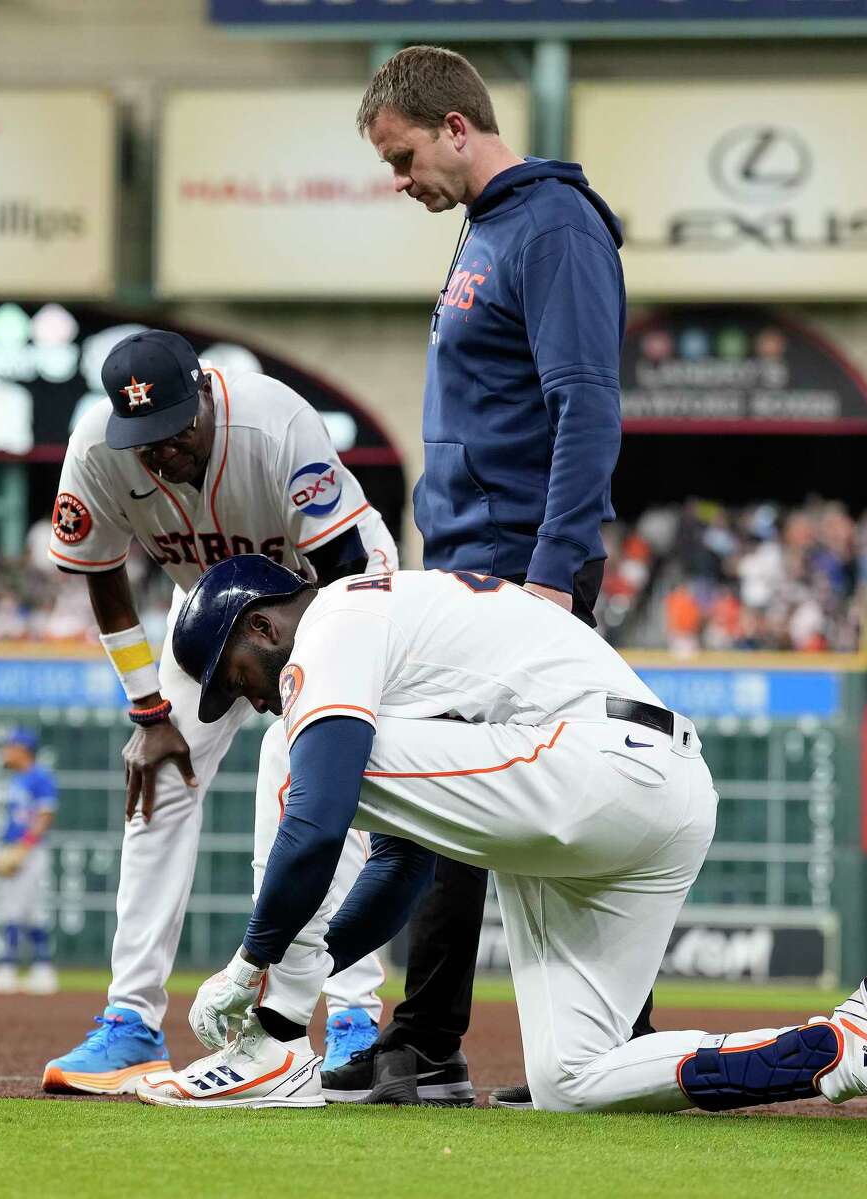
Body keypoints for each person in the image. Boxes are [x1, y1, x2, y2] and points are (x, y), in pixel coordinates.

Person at [135, 558, 867, 1135]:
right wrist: (304, 964)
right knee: (574, 1078)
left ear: (263, 621)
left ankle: (270, 1047)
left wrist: (258, 970)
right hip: (649, 798)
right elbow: (404, 864)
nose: (244, 693)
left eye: (233, 670)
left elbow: (315, 824)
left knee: (295, 753)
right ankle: (843, 1046)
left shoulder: (337, 618)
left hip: (596, 764)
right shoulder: (384, 641)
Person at [338, 44, 641, 1107]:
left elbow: (585, 402)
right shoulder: (491, 226)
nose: (399, 179)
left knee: (495, 804)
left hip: (519, 568)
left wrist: (554, 574)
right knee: (467, 804)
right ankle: (439, 1039)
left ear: (456, 128)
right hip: (470, 562)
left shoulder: (552, 225)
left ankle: (458, 1039)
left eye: (403, 154)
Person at [40, 328, 398, 1094]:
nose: (161, 452)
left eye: (174, 429)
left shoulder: (273, 421)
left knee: (335, 790)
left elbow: (339, 571)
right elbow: (102, 577)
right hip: (209, 613)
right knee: (157, 785)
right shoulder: (99, 448)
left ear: (204, 391)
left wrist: (324, 699)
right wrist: (148, 711)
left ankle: (353, 1013)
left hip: (334, 595)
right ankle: (130, 1023)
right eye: (145, 438)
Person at [0, 728, 59, 996]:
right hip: (21, 849)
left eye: (9, 747)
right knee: (30, 912)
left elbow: (46, 815)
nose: (5, 752)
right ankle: (42, 969)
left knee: (13, 909)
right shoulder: (19, 779)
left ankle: (7, 969)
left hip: (29, 851)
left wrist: (23, 847)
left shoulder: (38, 777)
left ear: (22, 749)